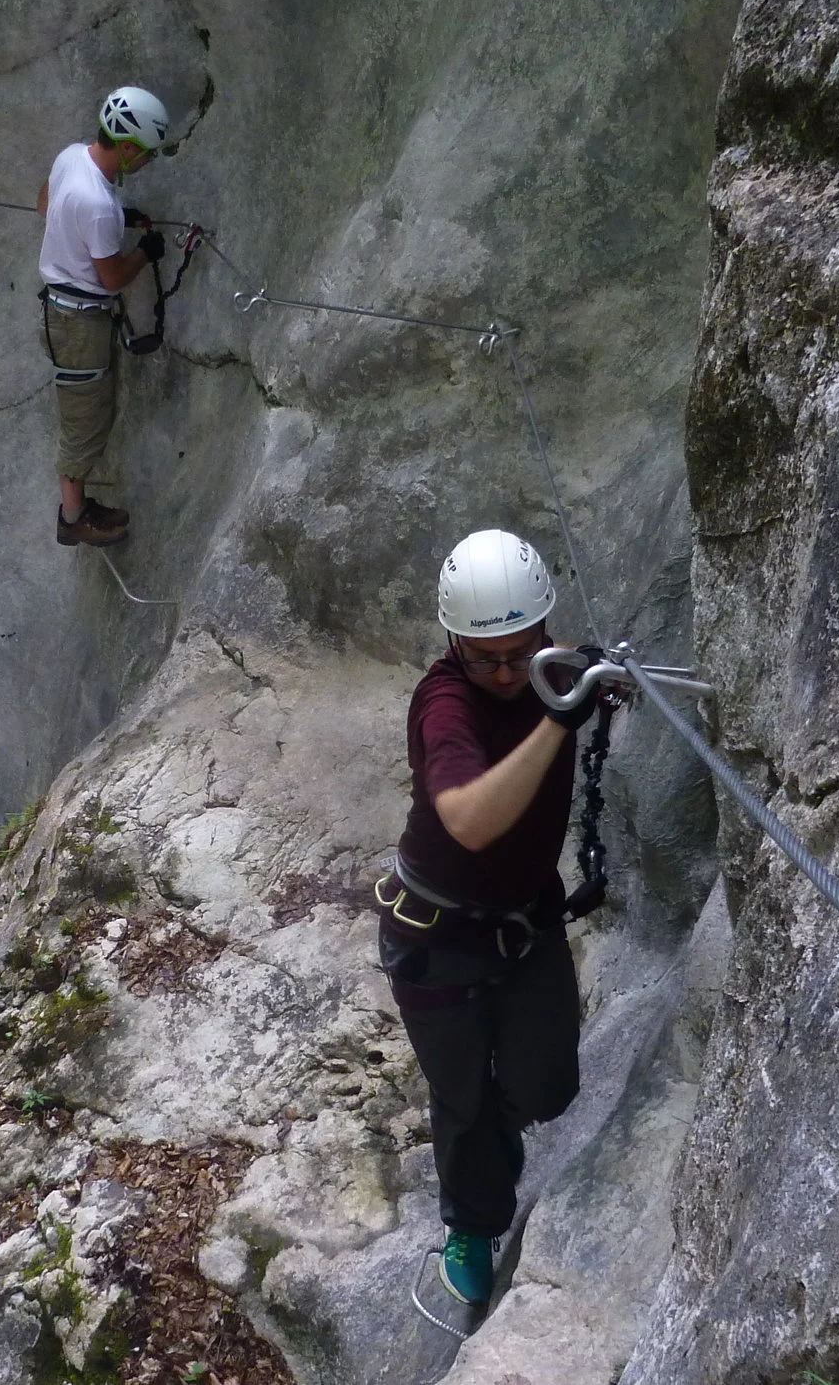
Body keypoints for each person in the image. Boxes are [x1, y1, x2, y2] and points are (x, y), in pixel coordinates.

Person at [378, 529, 603, 1311]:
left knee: (548, 1086)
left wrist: (591, 671)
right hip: (435, 938)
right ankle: (470, 1224)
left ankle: (492, 1105)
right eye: (485, 657)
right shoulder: (444, 701)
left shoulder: (549, 667)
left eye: (522, 653)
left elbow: (567, 663)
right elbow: (471, 819)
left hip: (522, 923)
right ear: (454, 643)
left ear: (543, 632)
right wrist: (560, 717)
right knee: (465, 1097)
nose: (506, 673)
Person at [36, 85, 172, 547]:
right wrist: (145, 252)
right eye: (147, 154)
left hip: (63, 312)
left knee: (86, 410)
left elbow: (45, 204)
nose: (148, 162)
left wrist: (118, 215)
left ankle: (76, 507)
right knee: (85, 419)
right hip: (80, 325)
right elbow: (113, 278)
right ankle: (74, 518)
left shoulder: (72, 157)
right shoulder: (95, 204)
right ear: (129, 147)